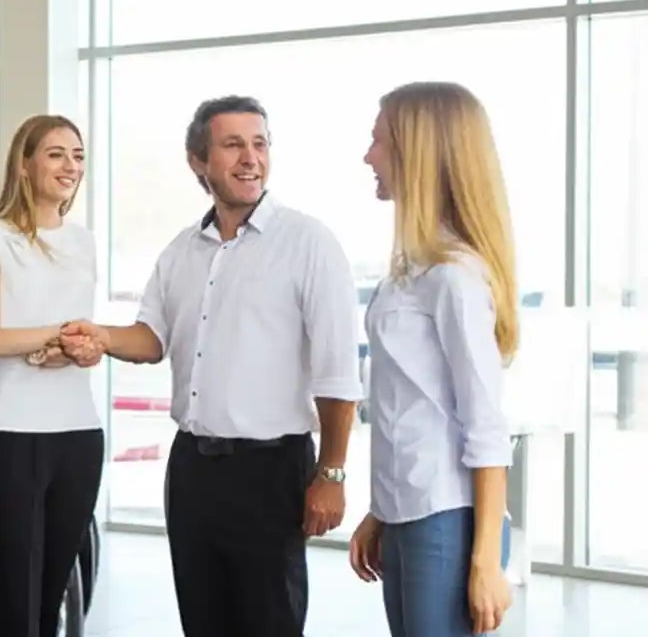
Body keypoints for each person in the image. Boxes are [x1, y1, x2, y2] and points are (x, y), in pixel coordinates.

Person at [61, 96, 362, 636]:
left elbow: (338, 370)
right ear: (198, 161)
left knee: (269, 622)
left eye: (260, 143)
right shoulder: (181, 251)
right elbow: (151, 337)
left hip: (272, 471)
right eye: (233, 145)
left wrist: (332, 473)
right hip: (194, 471)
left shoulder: (308, 243)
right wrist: (101, 336)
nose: (251, 158)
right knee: (202, 621)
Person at [347, 81, 516, 637]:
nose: (368, 156)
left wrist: (486, 563)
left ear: (417, 153)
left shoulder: (454, 278)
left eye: (379, 142)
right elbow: (411, 408)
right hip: (410, 515)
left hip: (446, 522)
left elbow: (486, 428)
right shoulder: (408, 272)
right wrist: (381, 511)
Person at [0, 113, 104, 637]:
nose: (70, 166)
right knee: (11, 598)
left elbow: (85, 338)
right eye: (55, 154)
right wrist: (60, 336)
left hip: (78, 433)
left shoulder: (84, 241)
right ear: (24, 165)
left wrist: (78, 348)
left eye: (78, 155)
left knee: (50, 601)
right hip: (13, 434)